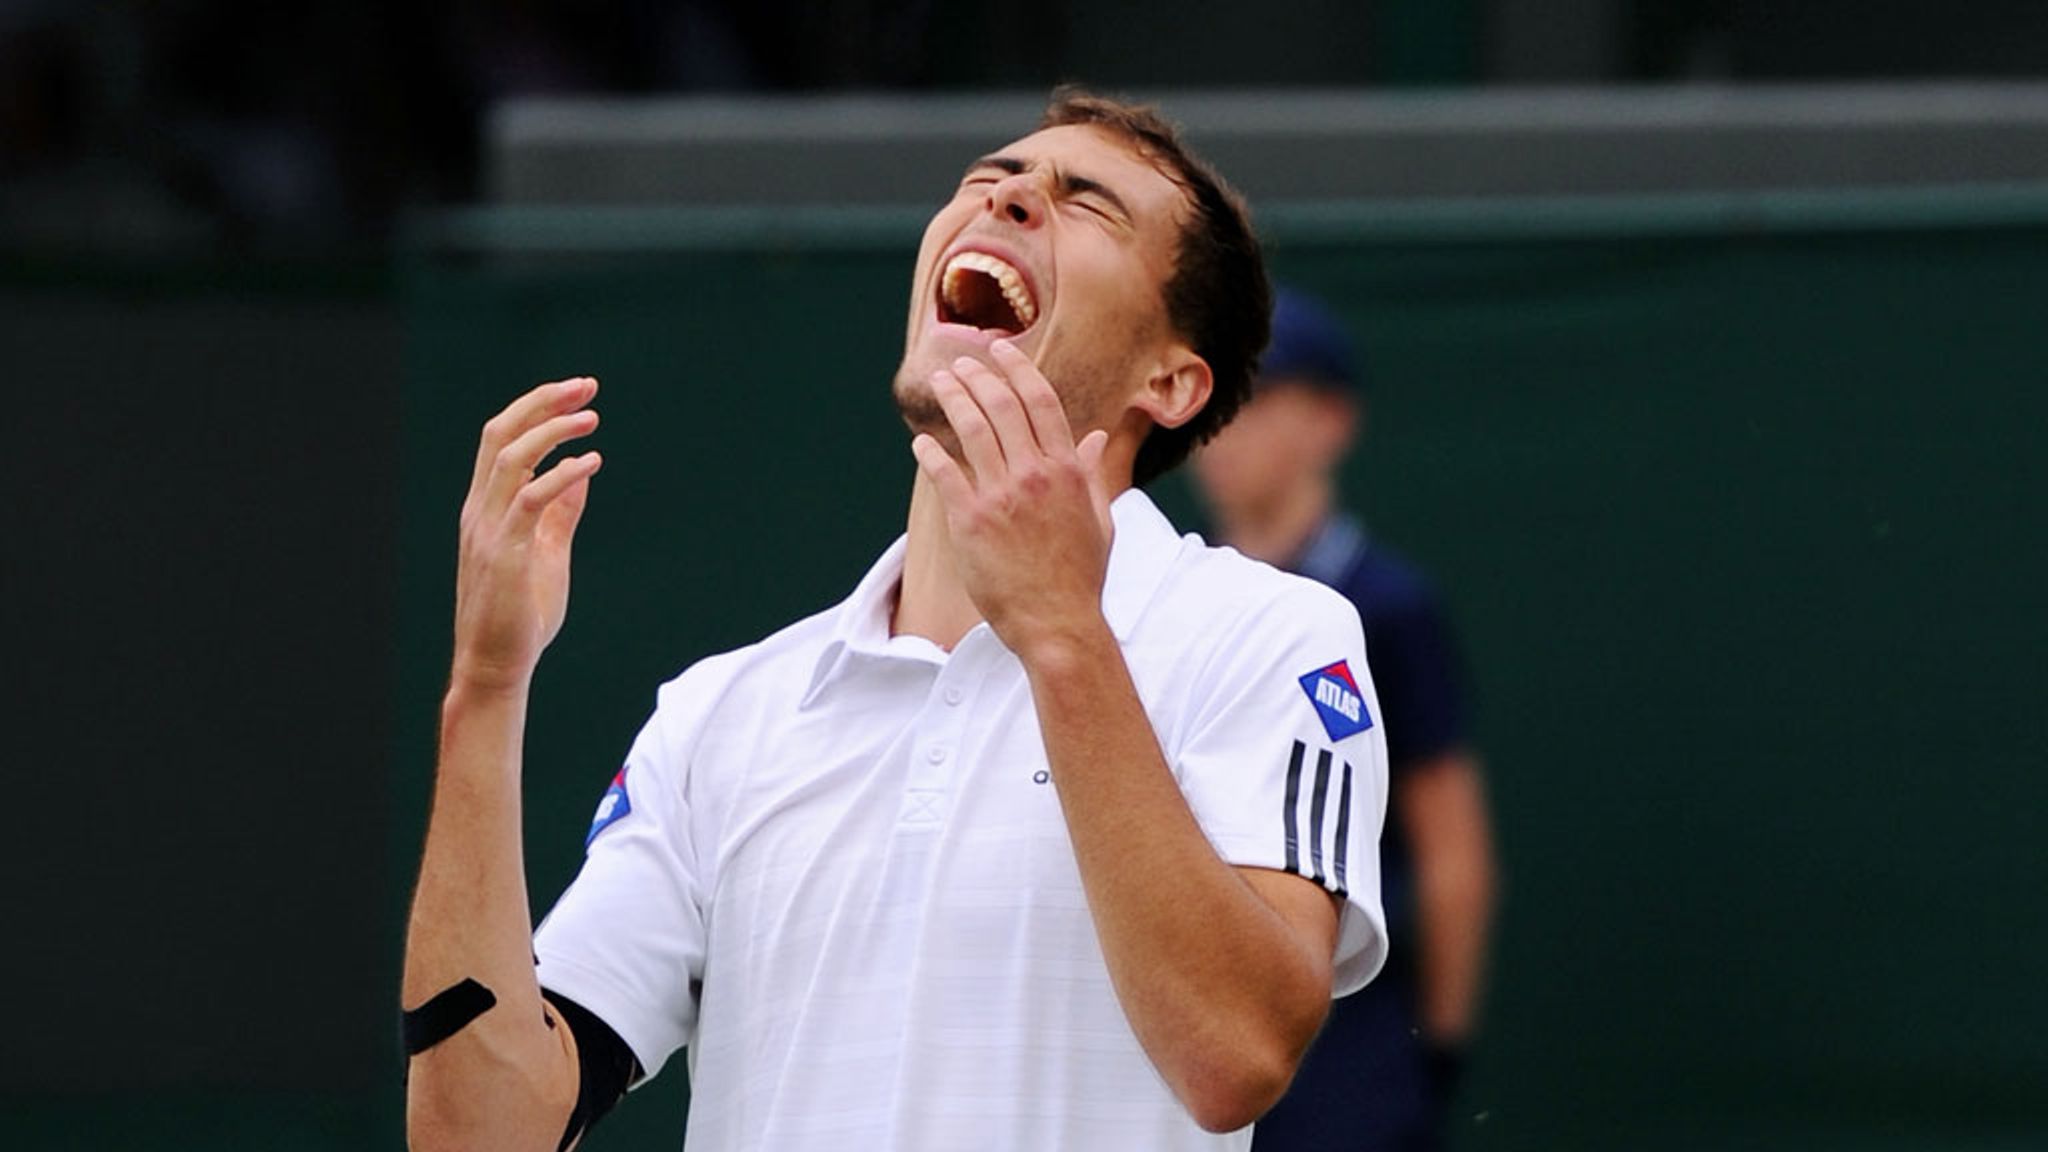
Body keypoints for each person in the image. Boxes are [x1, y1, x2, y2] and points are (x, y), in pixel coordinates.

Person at [401, 90, 1391, 1152]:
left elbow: (1233, 1056)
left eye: (1084, 202)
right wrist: (486, 693)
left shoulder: (1266, 637)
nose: (1006, 194)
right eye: (988, 177)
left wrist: (1061, 638)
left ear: (1172, 380)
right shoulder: (721, 715)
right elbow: (481, 1135)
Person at [1191, 289, 1499, 1152]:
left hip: (1350, 1060)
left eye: (1253, 401)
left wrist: (1433, 1052)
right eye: (1211, 401)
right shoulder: (1169, 608)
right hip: (1193, 1041)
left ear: (1329, 422)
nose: (1224, 429)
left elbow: (1452, 852)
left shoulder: (1388, 609)